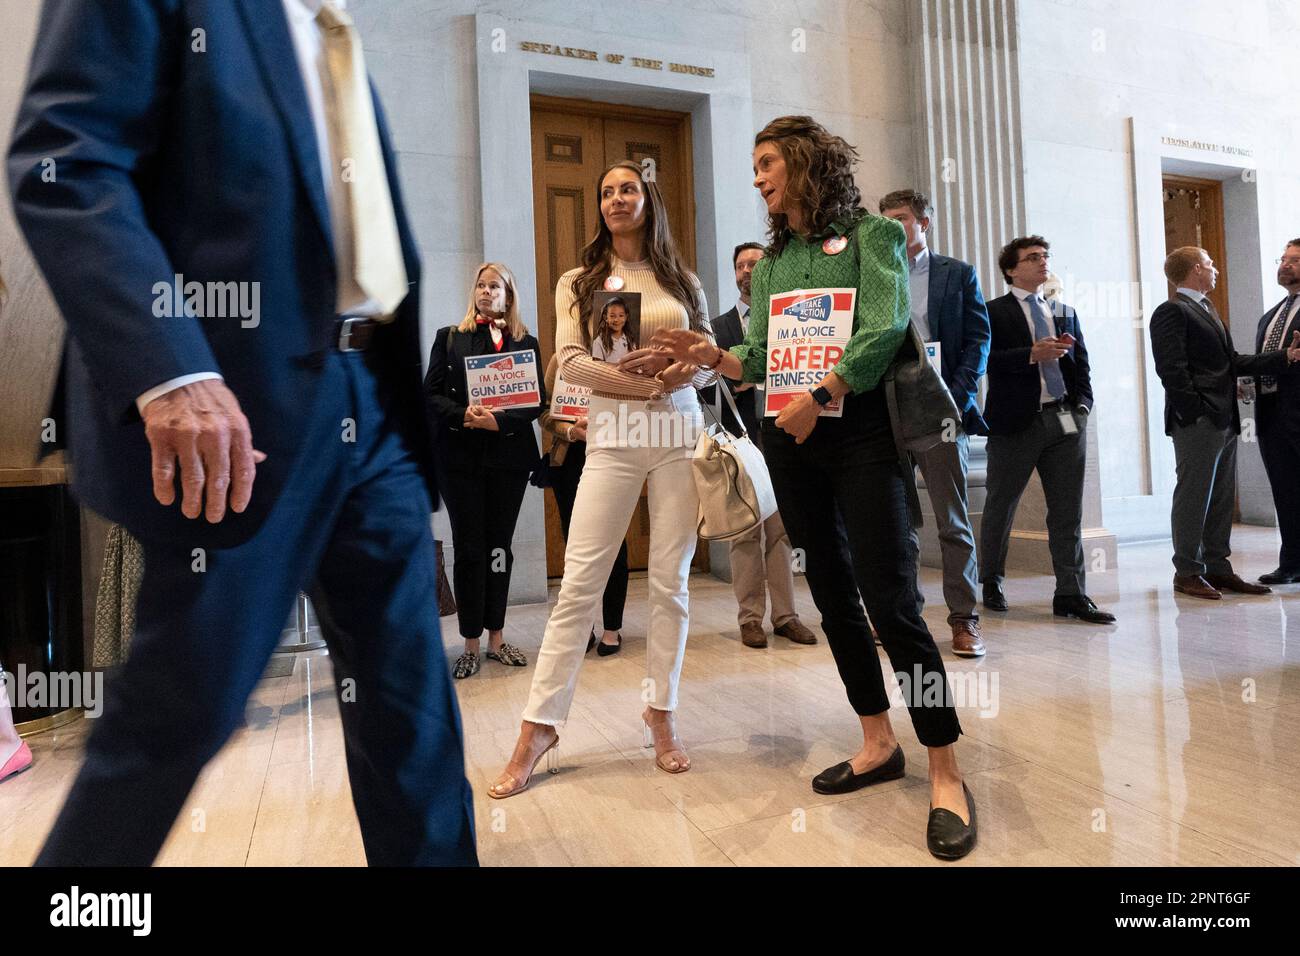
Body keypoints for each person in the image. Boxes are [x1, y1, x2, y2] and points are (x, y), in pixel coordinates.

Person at [7, 0, 476, 865]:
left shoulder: (327, 20)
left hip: (371, 400)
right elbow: (65, 163)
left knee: (412, 711)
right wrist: (169, 370)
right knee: (179, 715)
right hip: (235, 409)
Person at [654, 115, 976, 860]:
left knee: (892, 604)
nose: (759, 176)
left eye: (768, 161)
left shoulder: (874, 238)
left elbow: (885, 326)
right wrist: (718, 356)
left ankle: (945, 765)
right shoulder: (771, 264)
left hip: (858, 438)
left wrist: (824, 392)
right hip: (789, 444)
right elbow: (763, 356)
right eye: (756, 165)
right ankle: (875, 740)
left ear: (804, 163)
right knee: (832, 597)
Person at [486, 160, 714, 798]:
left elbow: (708, 362)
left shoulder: (683, 280)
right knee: (579, 585)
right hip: (612, 437)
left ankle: (660, 713)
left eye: (628, 190)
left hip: (677, 434)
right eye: (607, 192)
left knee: (671, 584)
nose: (616, 199)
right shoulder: (577, 281)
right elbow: (573, 368)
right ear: (599, 204)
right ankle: (539, 728)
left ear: (648, 200)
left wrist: (678, 375)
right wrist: (647, 382)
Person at [979, 236, 1115, 625]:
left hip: (1065, 419)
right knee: (1001, 506)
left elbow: (1082, 365)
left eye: (1045, 257)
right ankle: (991, 581)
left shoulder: (1064, 312)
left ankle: (1071, 593)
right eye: (1033, 258)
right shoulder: (992, 312)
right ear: (1011, 269)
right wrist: (1029, 355)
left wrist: (1083, 406)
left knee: (1068, 512)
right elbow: (983, 360)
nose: (1043, 263)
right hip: (1014, 423)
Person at [1150, 246, 1298, 599]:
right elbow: (1171, 369)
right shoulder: (1172, 310)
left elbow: (1230, 361)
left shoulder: (1208, 309)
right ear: (1197, 269)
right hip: (1200, 420)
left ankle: (1218, 568)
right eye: (1211, 263)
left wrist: (1284, 357)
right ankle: (1187, 571)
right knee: (1194, 496)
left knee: (1219, 499)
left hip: (1225, 417)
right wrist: (1197, 410)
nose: (1216, 268)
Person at [878, 189, 990, 657]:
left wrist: (956, 394)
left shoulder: (957, 274)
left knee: (952, 522)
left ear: (925, 222)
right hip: (887, 412)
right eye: (885, 221)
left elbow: (978, 339)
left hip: (941, 414)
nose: (893, 228)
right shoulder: (875, 277)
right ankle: (903, 618)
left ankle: (964, 620)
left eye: (901, 219)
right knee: (896, 523)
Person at [425, 263, 543, 677]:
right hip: (460, 461)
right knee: (470, 549)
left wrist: (500, 421)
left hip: (507, 460)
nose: (486, 291)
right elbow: (431, 396)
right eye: (480, 284)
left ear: (509, 295)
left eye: (495, 285)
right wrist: (464, 415)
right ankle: (470, 642)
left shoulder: (525, 341)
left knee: (498, 549)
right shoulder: (450, 338)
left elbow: (535, 401)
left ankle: (497, 637)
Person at [710, 241, 817, 649]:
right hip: (738, 443)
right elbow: (705, 385)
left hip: (783, 436)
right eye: (740, 265)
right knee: (744, 534)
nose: (747, 271)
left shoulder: (789, 319)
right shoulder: (718, 328)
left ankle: (786, 616)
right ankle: (749, 619)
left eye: (755, 263)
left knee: (782, 532)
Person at [538, 354, 629, 656]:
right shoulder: (561, 359)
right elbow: (544, 412)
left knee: (615, 543)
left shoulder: (622, 354)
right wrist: (570, 430)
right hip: (569, 460)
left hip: (613, 454)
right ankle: (584, 627)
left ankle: (612, 628)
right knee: (576, 546)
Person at [1252, 240, 1300, 584]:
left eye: (1294, 260)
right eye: (1282, 259)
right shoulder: (1270, 315)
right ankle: (1292, 563)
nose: (1285, 265)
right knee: (1285, 489)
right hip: (1271, 415)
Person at [591, 296, 636, 363]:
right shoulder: (598, 342)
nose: (616, 320)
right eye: (612, 316)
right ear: (606, 318)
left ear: (626, 317)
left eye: (621, 316)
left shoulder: (630, 340)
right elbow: (598, 368)